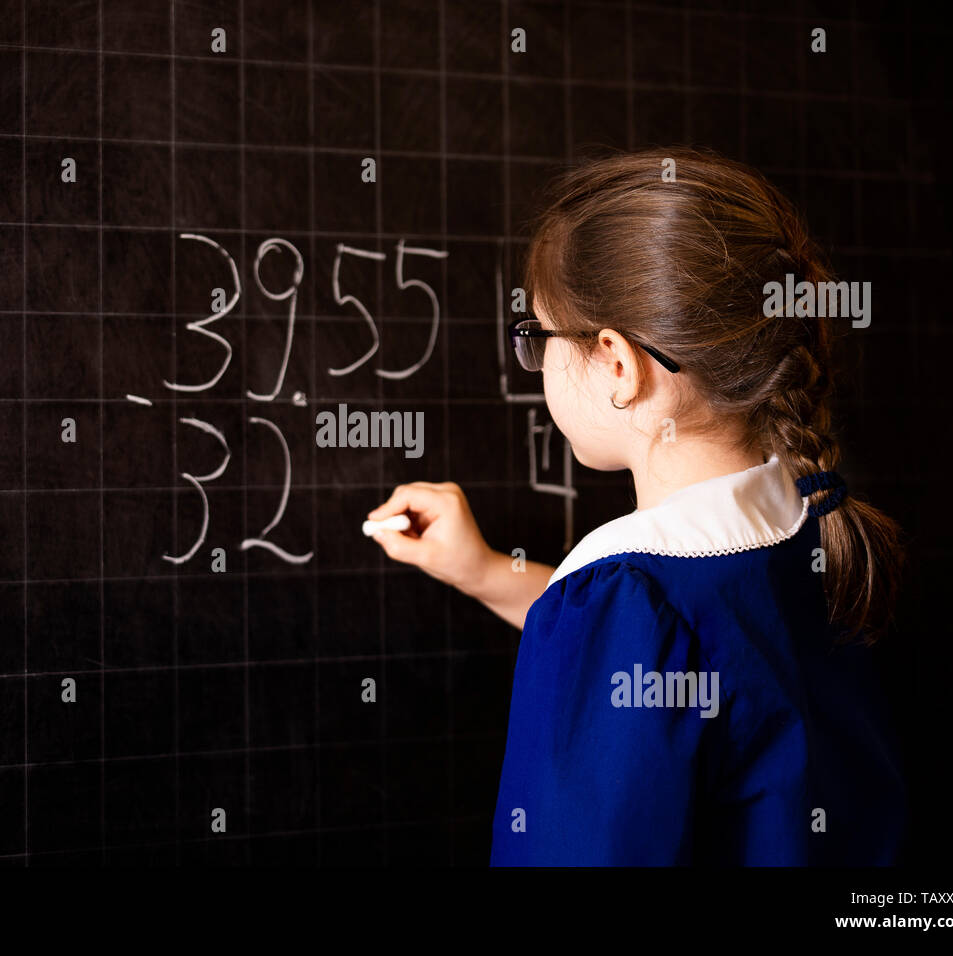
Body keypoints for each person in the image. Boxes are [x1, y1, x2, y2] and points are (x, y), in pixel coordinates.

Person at [367, 146, 908, 865]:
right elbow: (680, 651)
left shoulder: (624, 599)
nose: (535, 363)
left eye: (538, 336)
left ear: (619, 364)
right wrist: (487, 571)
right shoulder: (813, 517)